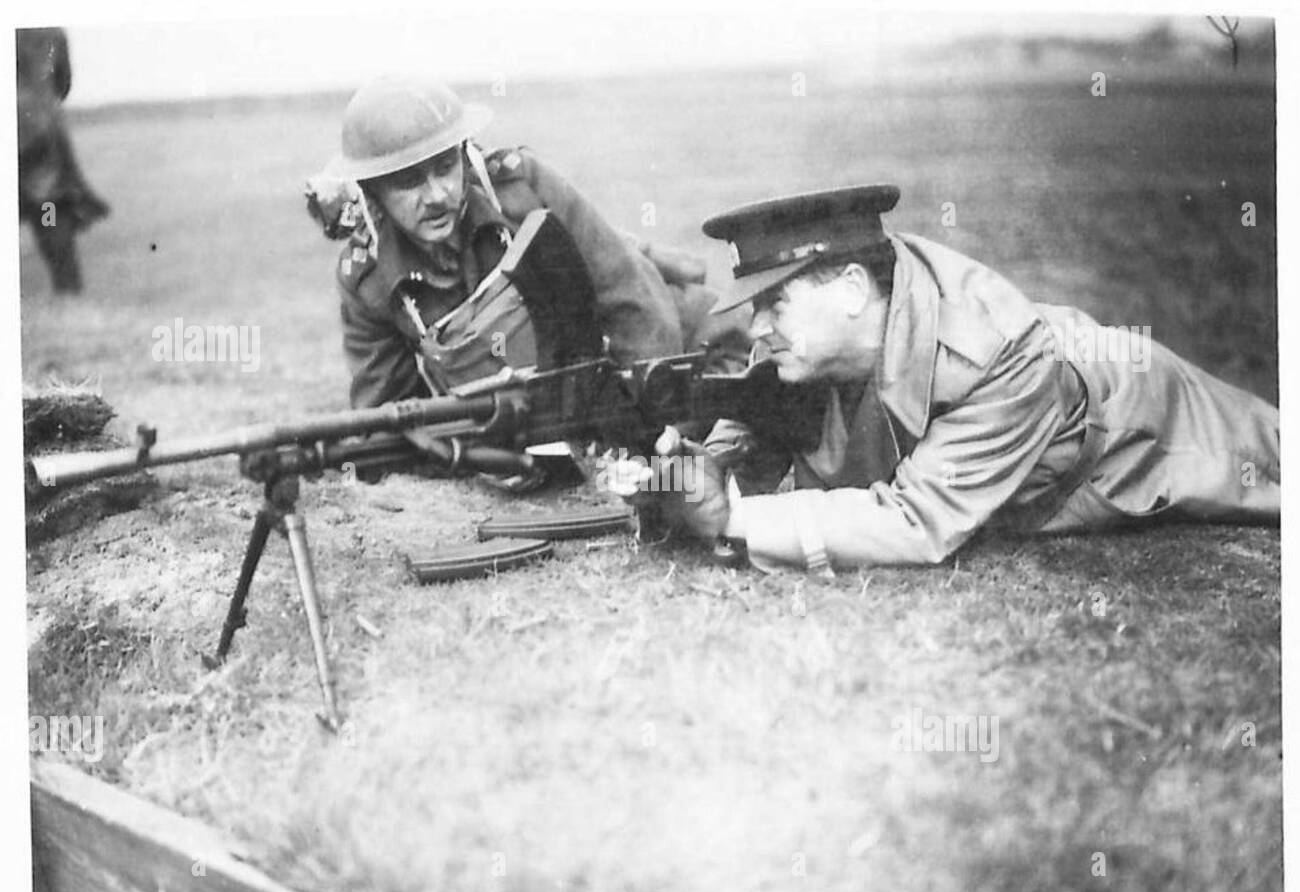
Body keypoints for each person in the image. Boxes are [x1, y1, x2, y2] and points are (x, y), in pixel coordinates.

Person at [630, 184, 1279, 574]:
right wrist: (699, 470)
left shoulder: (995, 355)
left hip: (1147, 420)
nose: (757, 327)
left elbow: (918, 522)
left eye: (777, 302)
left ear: (852, 289)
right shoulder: (814, 346)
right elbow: (760, 418)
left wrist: (735, 516)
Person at [305, 75, 743, 413]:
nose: (437, 195)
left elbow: (629, 295)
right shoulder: (369, 277)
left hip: (693, 348)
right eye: (408, 182)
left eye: (445, 167)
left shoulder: (522, 188)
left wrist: (649, 417)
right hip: (551, 411)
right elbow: (389, 410)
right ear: (373, 193)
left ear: (465, 157)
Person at [17, 27, 111, 294]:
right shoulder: (52, 32)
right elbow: (63, 84)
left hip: (29, 128)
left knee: (47, 205)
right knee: (48, 206)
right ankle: (67, 290)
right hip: (40, 127)